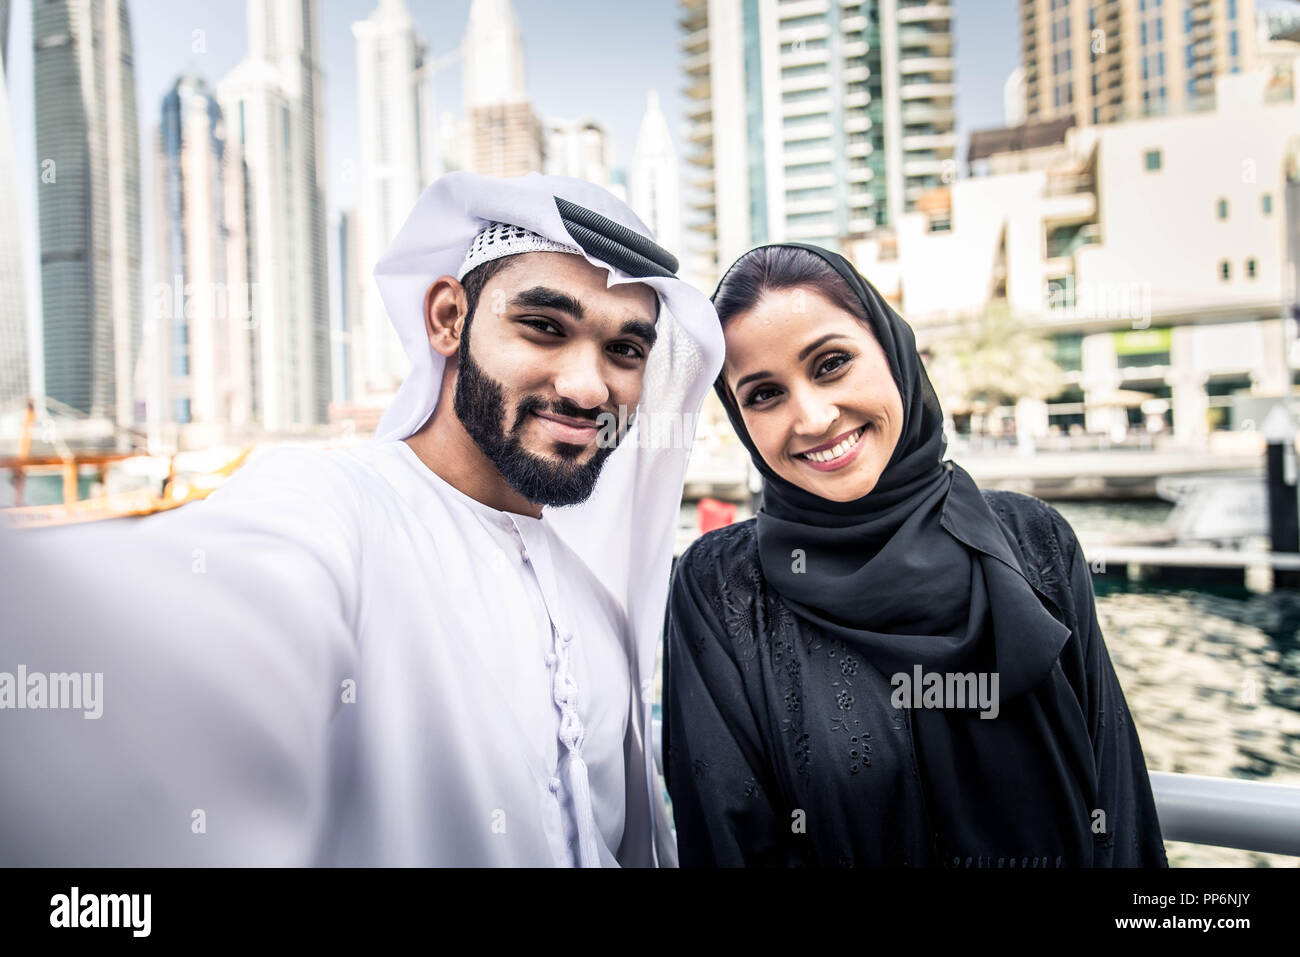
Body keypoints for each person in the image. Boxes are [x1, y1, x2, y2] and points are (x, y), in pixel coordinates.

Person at [0, 172, 723, 866]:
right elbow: (189, 638)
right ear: (448, 318)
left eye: (624, 350)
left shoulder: (596, 607)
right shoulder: (331, 508)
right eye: (542, 326)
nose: (587, 384)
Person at [663, 243, 1167, 868]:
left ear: (895, 352)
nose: (814, 417)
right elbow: (729, 842)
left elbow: (1117, 803)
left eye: (831, 364)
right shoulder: (720, 587)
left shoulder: (1034, 540)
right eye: (764, 395)